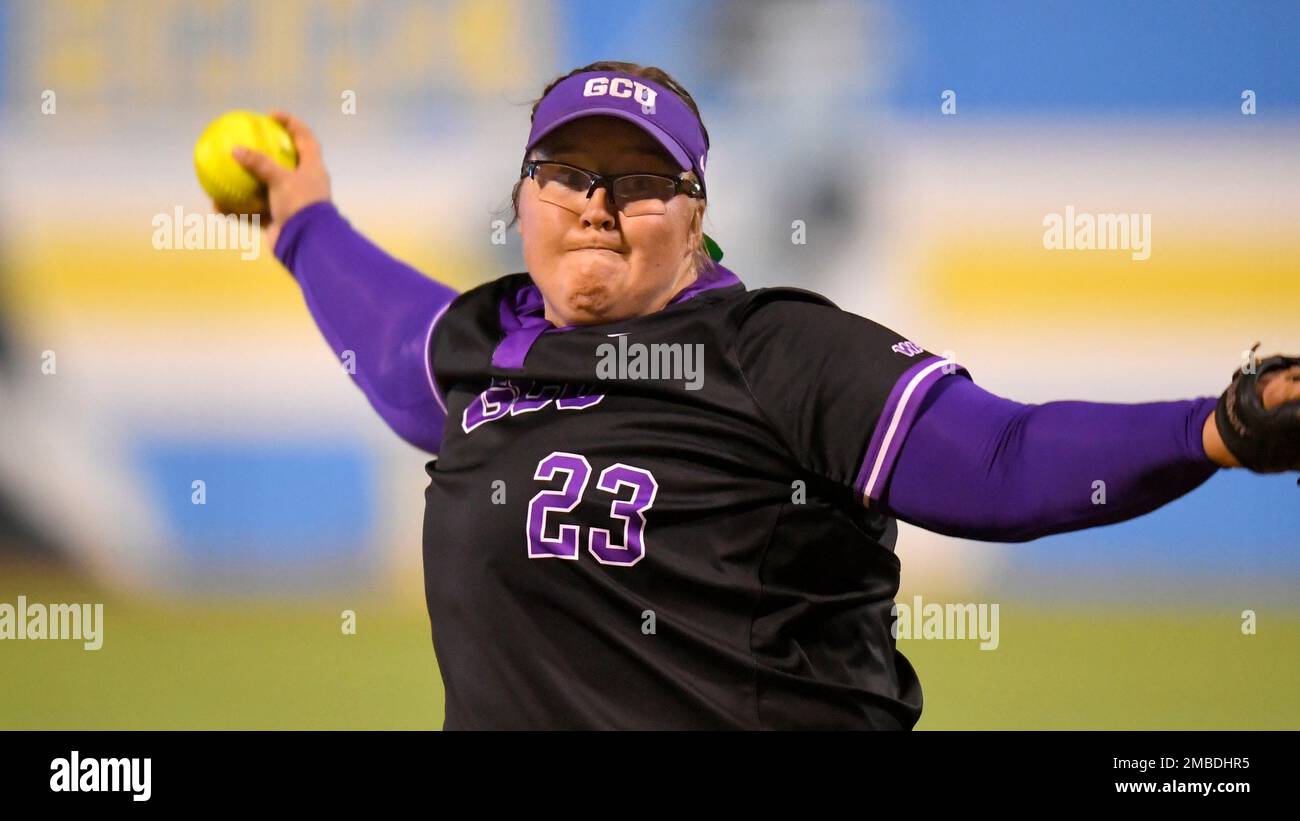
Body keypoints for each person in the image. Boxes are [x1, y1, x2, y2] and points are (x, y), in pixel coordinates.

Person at [228, 60, 1300, 730]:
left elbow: (1003, 460)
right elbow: (383, 326)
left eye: (642, 181)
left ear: (696, 217)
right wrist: (304, 223)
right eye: (567, 171)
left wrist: (1214, 427)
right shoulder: (483, 350)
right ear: (521, 199)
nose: (599, 203)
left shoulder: (772, 349)